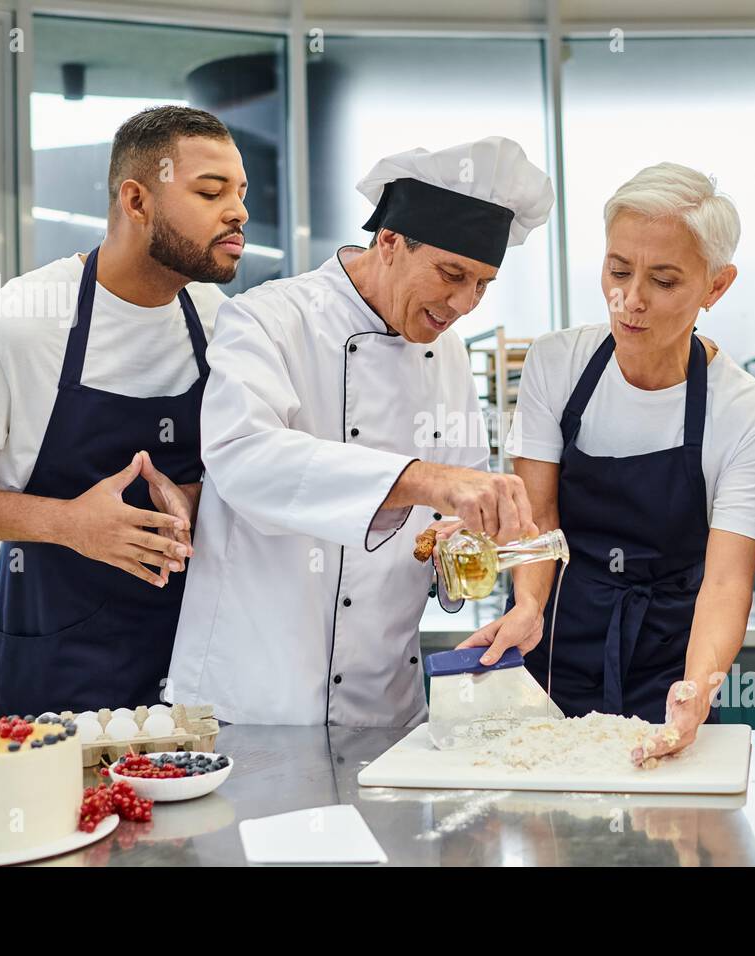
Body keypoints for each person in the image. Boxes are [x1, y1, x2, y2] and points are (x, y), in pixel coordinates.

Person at [165, 136, 554, 725]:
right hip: (259, 697)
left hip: (385, 704)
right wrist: (424, 481)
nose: (464, 304)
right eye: (452, 274)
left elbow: (455, 514)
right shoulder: (269, 318)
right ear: (390, 241)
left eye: (482, 284)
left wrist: (466, 547)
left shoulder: (443, 355)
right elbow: (243, 459)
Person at [0, 106, 244, 715]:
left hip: (203, 674)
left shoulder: (220, 323)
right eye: (210, 192)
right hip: (63, 678)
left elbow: (247, 468)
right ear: (136, 201)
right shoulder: (12, 329)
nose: (238, 212)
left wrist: (193, 499)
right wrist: (68, 524)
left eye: (241, 193)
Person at [458, 163, 755, 764]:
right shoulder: (556, 364)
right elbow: (539, 515)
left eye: (663, 281)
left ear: (716, 286)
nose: (629, 300)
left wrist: (699, 686)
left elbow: (727, 578)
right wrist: (528, 604)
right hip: (554, 633)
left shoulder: (744, 413)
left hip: (676, 652)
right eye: (617, 271)